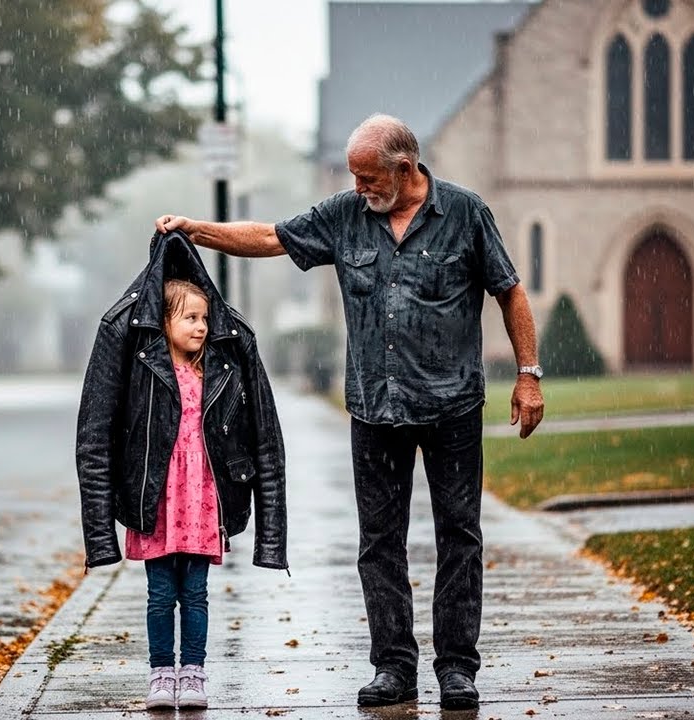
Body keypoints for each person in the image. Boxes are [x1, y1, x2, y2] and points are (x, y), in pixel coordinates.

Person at [154, 113, 544, 711]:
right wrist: (196, 231)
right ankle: (393, 666)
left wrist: (527, 374)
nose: (358, 187)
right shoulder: (345, 215)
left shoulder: (466, 214)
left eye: (367, 177)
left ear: (406, 169)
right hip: (374, 409)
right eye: (356, 178)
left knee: (459, 537)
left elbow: (509, 289)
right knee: (379, 542)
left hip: (453, 406)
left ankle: (457, 670)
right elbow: (271, 238)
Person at [76, 232, 288, 710]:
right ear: (162, 320)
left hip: (203, 501)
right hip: (157, 500)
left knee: (195, 592)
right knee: (158, 594)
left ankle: (193, 673)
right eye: (190, 318)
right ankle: (160, 673)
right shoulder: (139, 363)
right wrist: (103, 525)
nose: (201, 327)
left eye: (205, 318)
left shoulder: (221, 366)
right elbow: (100, 434)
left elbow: (262, 437)